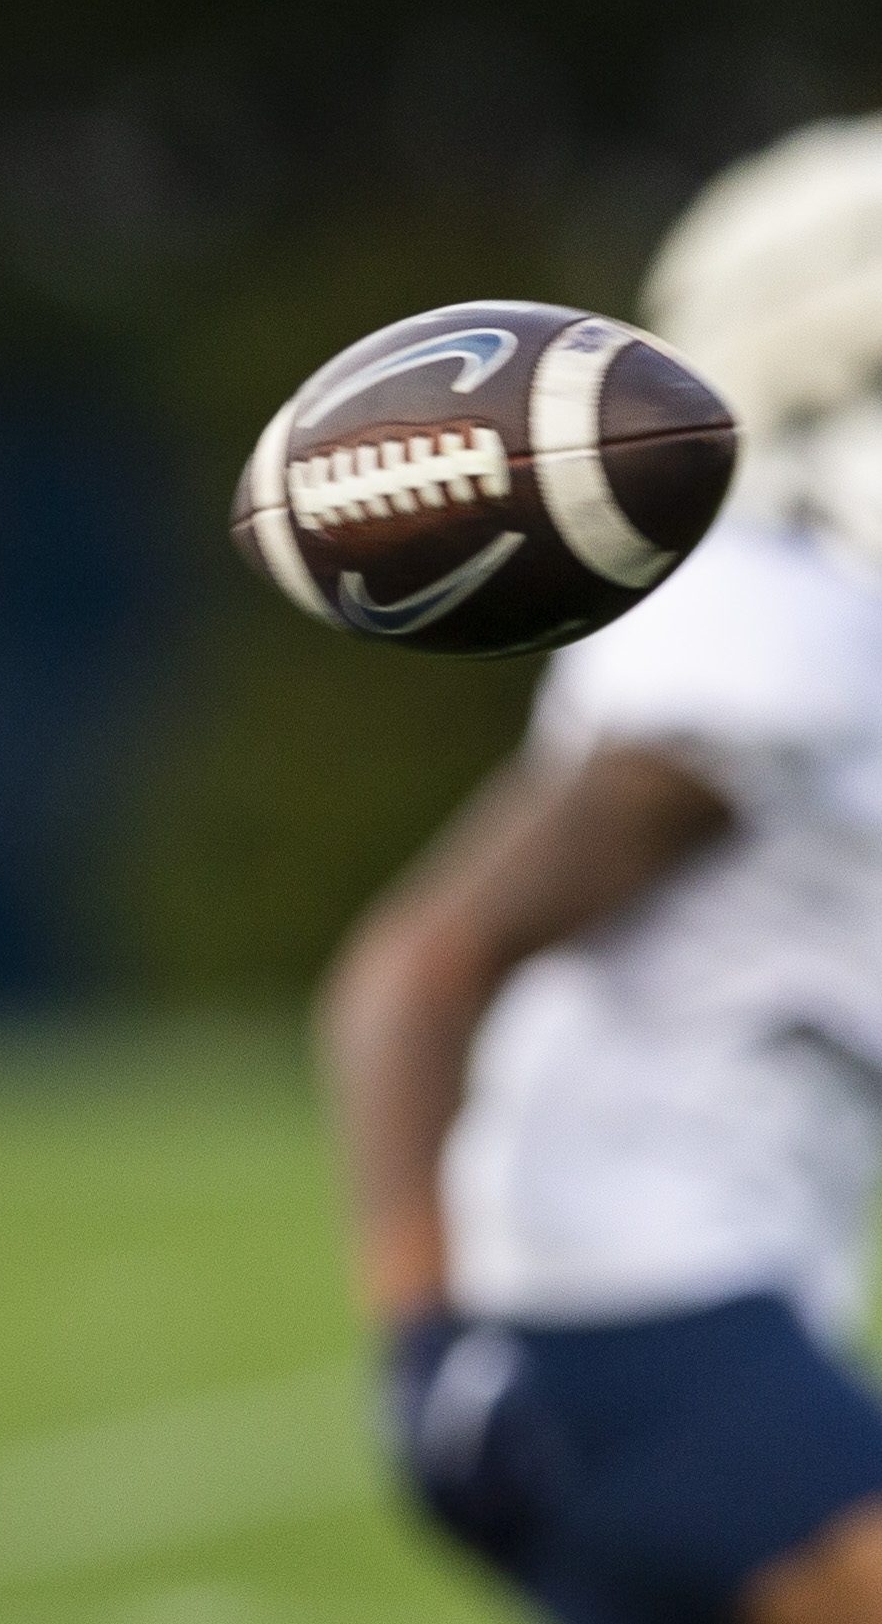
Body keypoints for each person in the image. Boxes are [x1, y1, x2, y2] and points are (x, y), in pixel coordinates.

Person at [319, 115, 882, 1624]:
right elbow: (416, 963)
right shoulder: (764, 637)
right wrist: (422, 1339)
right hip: (624, 1308)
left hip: (716, 1292)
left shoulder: (814, 604)